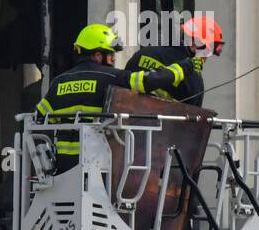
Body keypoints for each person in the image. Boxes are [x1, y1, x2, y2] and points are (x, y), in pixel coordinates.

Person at [34, 23, 187, 167]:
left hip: (62, 168)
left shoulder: (58, 82)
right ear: (98, 54)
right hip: (98, 167)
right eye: (111, 54)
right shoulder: (111, 77)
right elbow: (149, 81)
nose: (113, 58)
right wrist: (185, 68)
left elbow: (38, 118)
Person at [123, 14, 224, 108]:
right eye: (207, 52)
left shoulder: (143, 54)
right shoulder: (193, 79)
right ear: (195, 44)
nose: (205, 58)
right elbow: (193, 121)